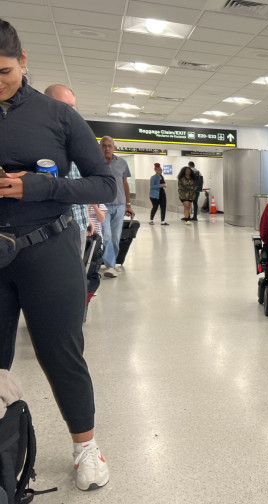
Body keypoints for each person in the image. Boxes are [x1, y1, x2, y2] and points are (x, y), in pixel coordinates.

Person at [0, 18, 115, 491]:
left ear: (23, 61)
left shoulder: (59, 116)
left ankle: (86, 448)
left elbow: (104, 185)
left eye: (4, 72)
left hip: (47, 248)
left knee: (61, 353)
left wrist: (40, 187)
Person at [43, 84, 91, 256]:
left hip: (79, 221)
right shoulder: (40, 140)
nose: (70, 112)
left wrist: (87, 218)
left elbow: (82, 181)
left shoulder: (76, 139)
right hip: (53, 227)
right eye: (64, 106)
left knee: (78, 268)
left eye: (72, 106)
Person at [99, 136, 134, 277]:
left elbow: (125, 183)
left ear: (114, 147)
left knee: (115, 238)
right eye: (104, 145)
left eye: (110, 146)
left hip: (119, 205)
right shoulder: (96, 163)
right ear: (100, 147)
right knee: (106, 236)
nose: (107, 149)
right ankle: (110, 266)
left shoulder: (122, 163)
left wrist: (128, 204)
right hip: (102, 205)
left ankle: (112, 263)